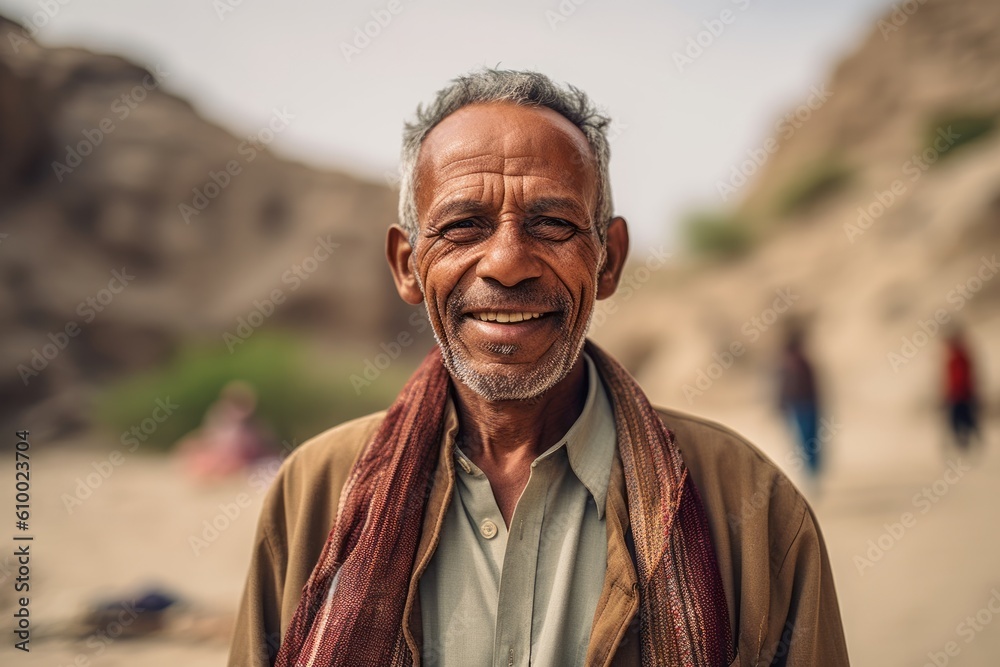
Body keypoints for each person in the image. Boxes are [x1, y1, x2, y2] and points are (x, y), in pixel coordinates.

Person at [229, 69, 849, 666]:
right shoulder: (314, 494)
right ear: (406, 266)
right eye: (463, 226)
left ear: (608, 262)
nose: (506, 262)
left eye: (552, 225)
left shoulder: (748, 502)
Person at [777, 326, 823, 480]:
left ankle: (812, 472)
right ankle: (811, 472)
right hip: (801, 407)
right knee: (806, 440)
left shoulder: (798, 365)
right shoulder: (796, 365)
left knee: (808, 440)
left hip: (804, 407)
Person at [943, 327, 980, 450]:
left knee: (962, 420)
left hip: (961, 396)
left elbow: (963, 377)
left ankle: (969, 443)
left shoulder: (959, 358)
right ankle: (965, 443)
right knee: (961, 420)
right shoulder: (956, 358)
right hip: (958, 395)